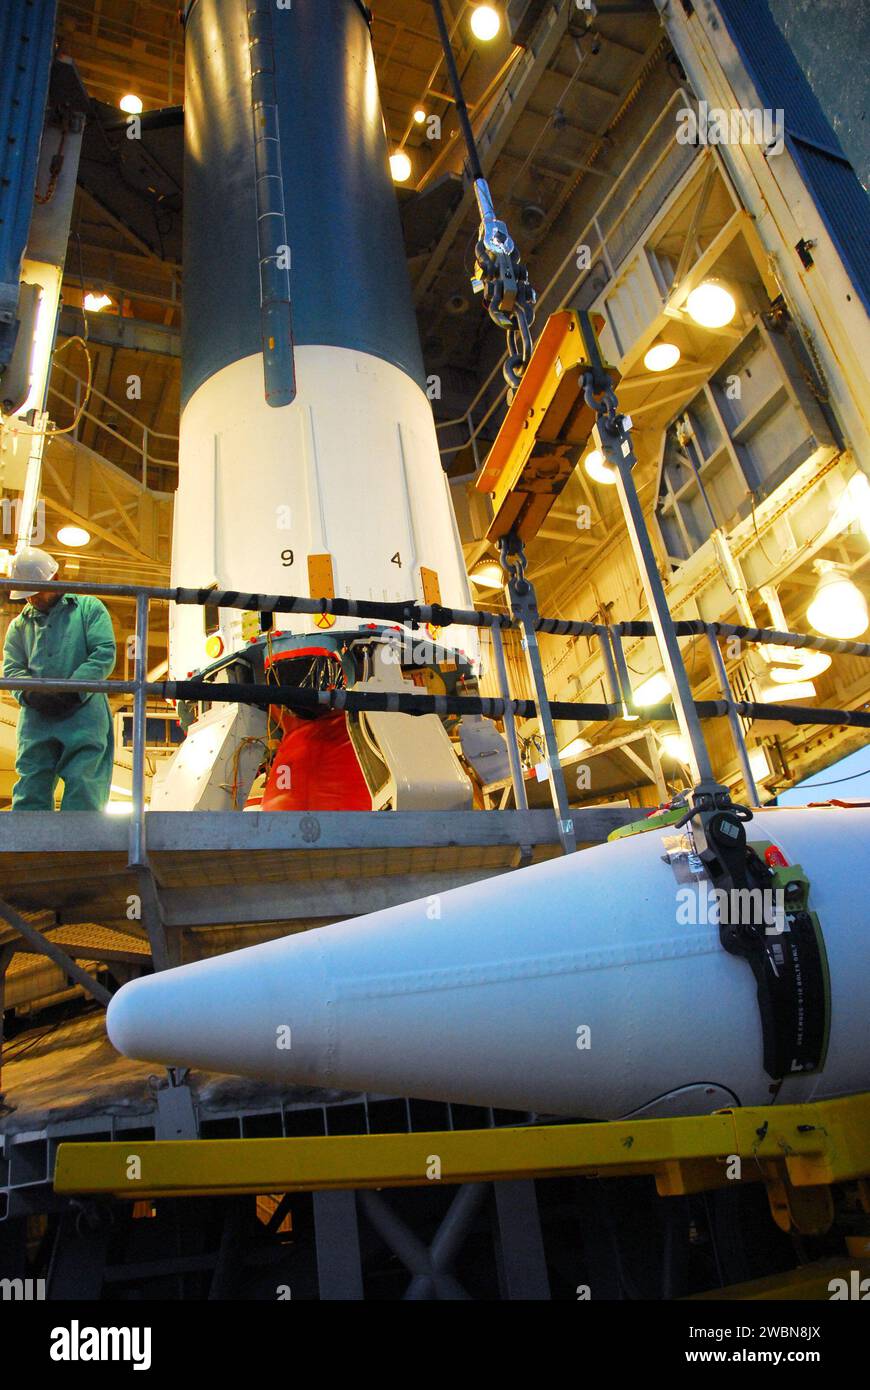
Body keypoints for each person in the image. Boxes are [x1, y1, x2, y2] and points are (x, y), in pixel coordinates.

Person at [2, 547, 117, 811]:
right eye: (27, 595)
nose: (31, 600)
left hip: (83, 714)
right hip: (36, 718)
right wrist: (30, 694)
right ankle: (30, 851)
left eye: (35, 593)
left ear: (54, 579)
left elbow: (103, 653)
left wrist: (72, 690)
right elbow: (12, 668)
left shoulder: (88, 608)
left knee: (83, 787)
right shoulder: (19, 625)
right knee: (31, 787)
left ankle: (79, 850)